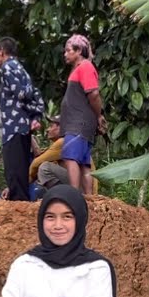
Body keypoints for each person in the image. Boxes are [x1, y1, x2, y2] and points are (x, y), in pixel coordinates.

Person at [0, 37, 46, 202]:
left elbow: (21, 93)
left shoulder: (7, 67)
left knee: (14, 169)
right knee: (22, 168)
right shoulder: (21, 69)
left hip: (13, 127)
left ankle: (18, 205)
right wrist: (35, 115)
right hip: (23, 127)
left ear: (1, 52)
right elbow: (34, 95)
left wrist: (27, 94)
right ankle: (22, 204)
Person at [59, 34, 104, 196]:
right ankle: (88, 197)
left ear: (78, 51)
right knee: (84, 163)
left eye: (68, 50)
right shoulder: (79, 69)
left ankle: (73, 196)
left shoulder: (85, 67)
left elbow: (93, 94)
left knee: (70, 157)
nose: (65, 54)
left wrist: (99, 115)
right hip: (81, 123)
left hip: (78, 123)